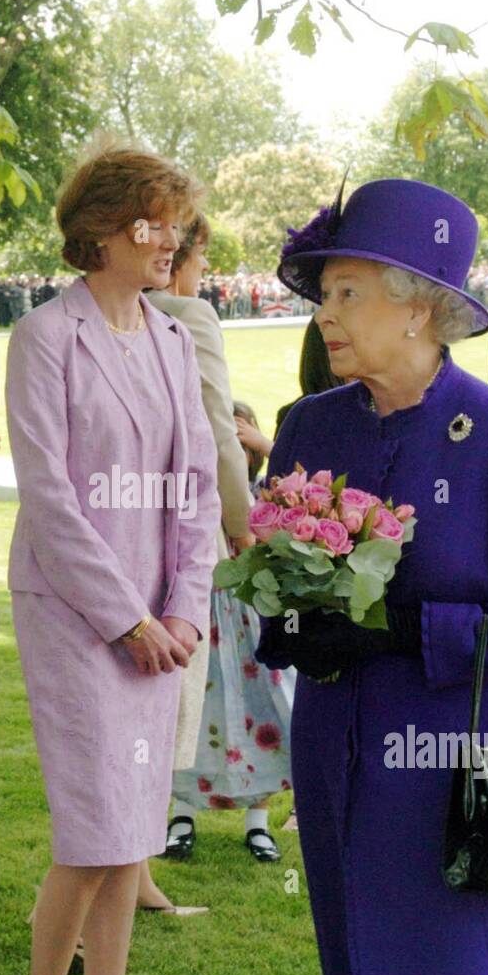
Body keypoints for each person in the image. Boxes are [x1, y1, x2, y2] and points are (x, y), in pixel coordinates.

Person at [258, 177, 488, 975]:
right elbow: (269, 574)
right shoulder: (309, 426)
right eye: (324, 293)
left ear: (415, 308)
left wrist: (410, 629)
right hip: (337, 751)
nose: (323, 313)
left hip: (462, 771)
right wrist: (294, 625)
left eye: (346, 292)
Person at [6, 143, 219, 975]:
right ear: (102, 230)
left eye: (174, 222)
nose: (170, 237)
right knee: (93, 832)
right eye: (151, 221)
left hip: (161, 628)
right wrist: (129, 620)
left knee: (133, 831)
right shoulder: (45, 336)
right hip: (75, 615)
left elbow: (199, 486)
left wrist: (186, 611)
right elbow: (51, 500)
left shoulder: (173, 337)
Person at [150, 214, 290, 866]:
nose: (202, 276)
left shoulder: (83, 319)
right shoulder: (186, 317)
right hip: (193, 552)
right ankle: (167, 823)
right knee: (184, 694)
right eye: (200, 261)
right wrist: (240, 526)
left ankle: (159, 834)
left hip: (136, 545)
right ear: (178, 258)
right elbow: (218, 440)